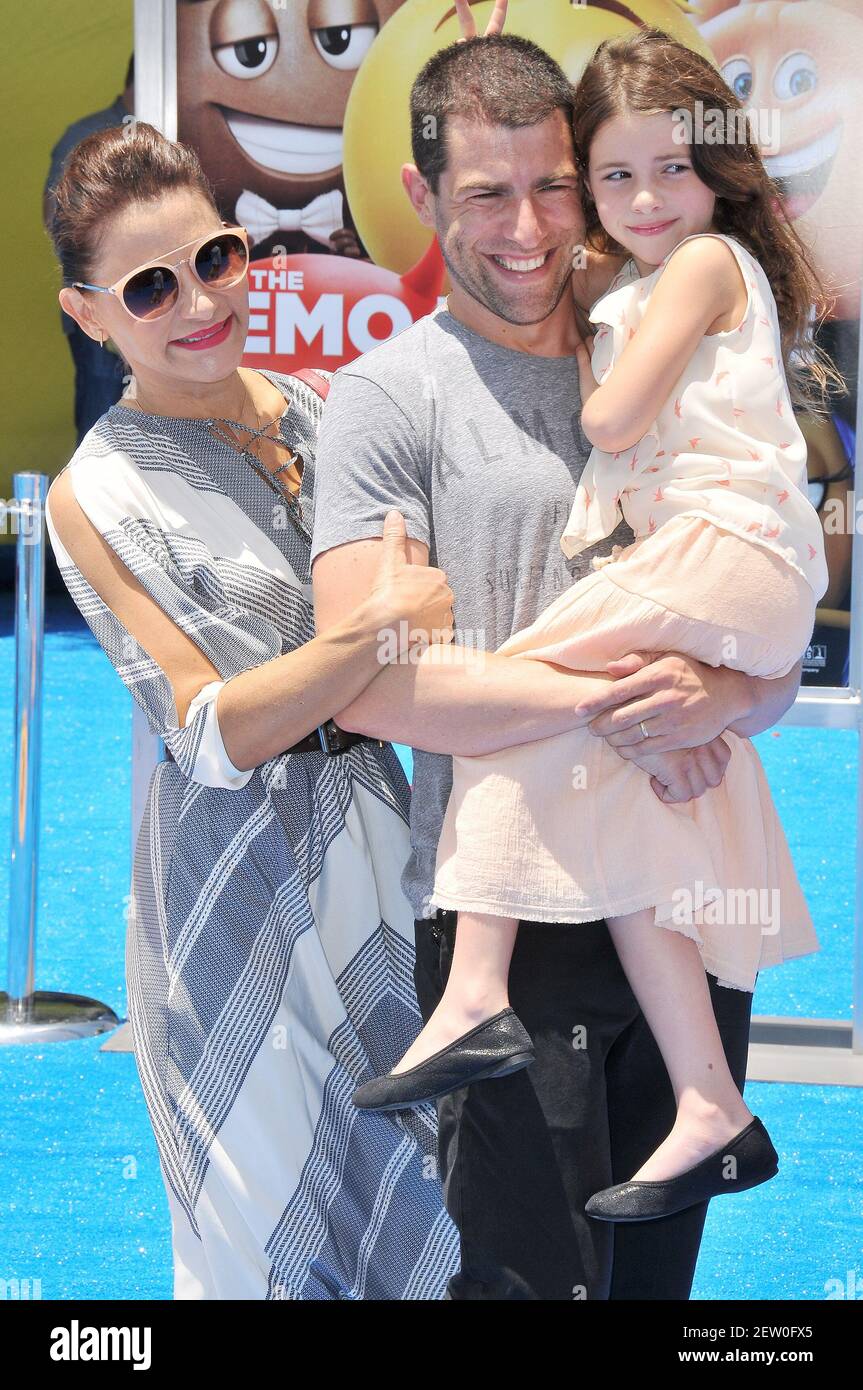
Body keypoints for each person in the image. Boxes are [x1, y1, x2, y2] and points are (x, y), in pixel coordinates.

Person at [310, 31, 811, 1299]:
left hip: (681, 894)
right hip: (514, 917)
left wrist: (729, 695)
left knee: (656, 1292)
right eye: (485, 191)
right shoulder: (386, 398)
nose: (527, 225)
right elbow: (366, 683)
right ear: (419, 197)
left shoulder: (651, 330)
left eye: (552, 185)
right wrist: (625, 701)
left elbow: (759, 636)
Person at [43, 121, 459, 1300]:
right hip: (237, 914)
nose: (195, 304)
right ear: (90, 315)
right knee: (270, 1256)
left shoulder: (336, 410)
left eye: (213, 260)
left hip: (402, 871)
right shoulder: (95, 493)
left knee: (435, 1229)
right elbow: (211, 729)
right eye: (148, 286)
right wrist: (371, 633)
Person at [43, 55, 135, 441]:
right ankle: (91, 502)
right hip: (100, 300)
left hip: (156, 300)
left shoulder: (168, 128)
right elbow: (54, 217)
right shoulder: (89, 134)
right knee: (102, 417)